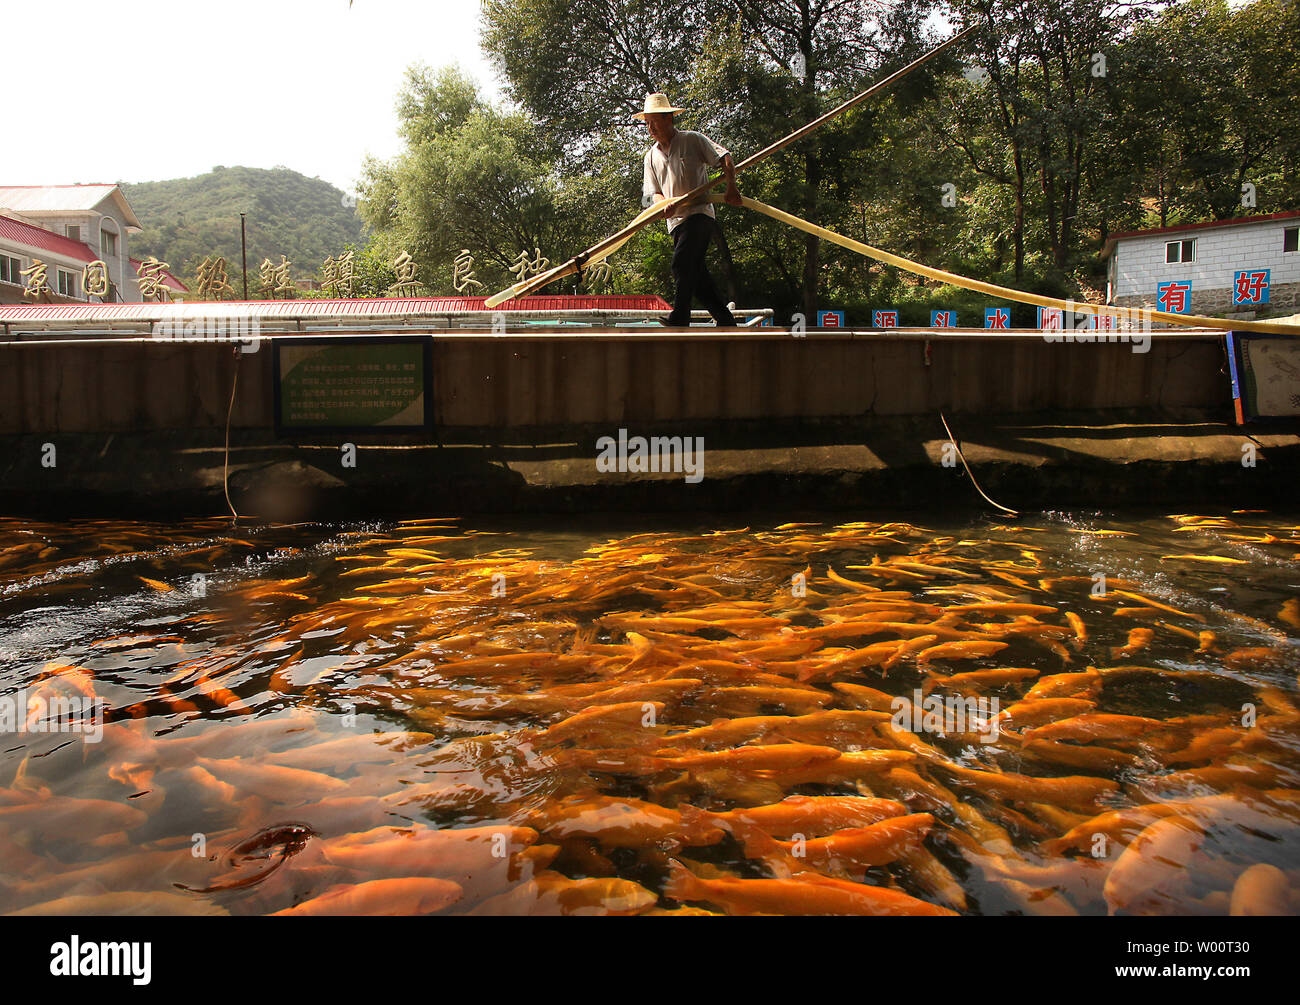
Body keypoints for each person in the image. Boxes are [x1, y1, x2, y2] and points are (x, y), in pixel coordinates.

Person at [636, 93, 741, 327]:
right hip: (675, 222)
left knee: (680, 264)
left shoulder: (692, 140)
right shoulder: (650, 157)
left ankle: (680, 317)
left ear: (669, 119)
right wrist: (663, 205)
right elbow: (653, 193)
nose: (651, 128)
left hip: (699, 214)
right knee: (697, 277)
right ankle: (726, 320)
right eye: (647, 123)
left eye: (655, 121)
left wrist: (731, 187)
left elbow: (725, 158)